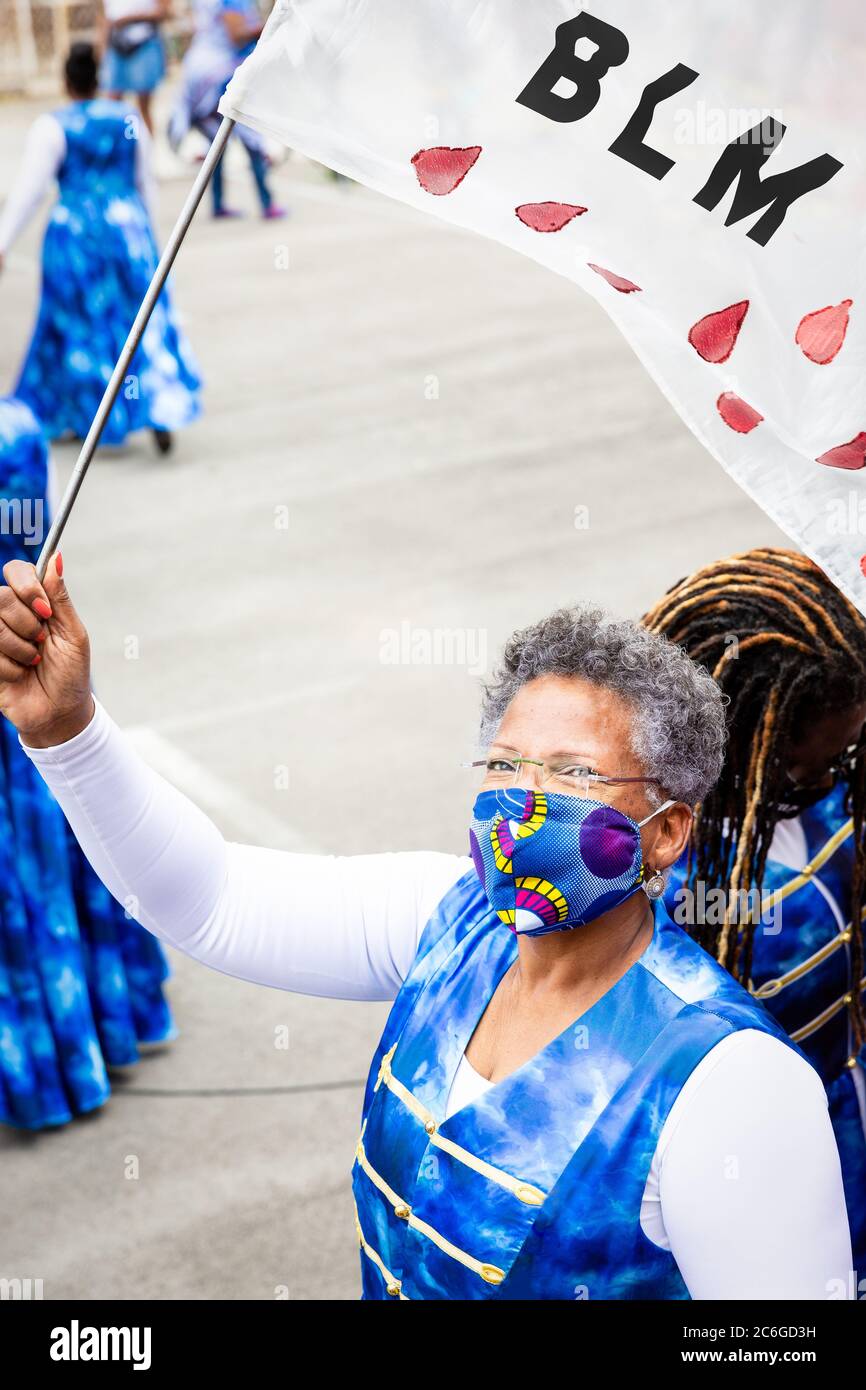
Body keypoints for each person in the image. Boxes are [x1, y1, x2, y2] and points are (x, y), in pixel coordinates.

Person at [0, 566, 853, 1298]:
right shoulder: (444, 924)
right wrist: (65, 730)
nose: (525, 800)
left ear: (668, 830)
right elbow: (210, 899)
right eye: (506, 764)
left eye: (574, 773)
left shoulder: (733, 1085)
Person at [644, 546, 866, 1281]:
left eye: (849, 756)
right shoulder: (650, 888)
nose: (835, 781)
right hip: (744, 1175)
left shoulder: (834, 775)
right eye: (806, 773)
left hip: (843, 1126)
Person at [0, 397, 176, 1129]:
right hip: (31, 686)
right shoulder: (15, 425)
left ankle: (49, 1057)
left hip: (21, 685)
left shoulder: (11, 435)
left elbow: (21, 574)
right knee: (59, 863)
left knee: (29, 882)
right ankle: (97, 1028)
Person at [0, 42, 201, 454]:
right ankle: (152, 404)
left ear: (65, 81)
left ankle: (86, 411)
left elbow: (30, 192)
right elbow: (146, 181)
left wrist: (3, 241)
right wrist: (150, 239)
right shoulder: (128, 119)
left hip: (75, 238)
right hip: (127, 232)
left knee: (77, 328)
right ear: (100, 76)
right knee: (137, 324)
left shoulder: (53, 126)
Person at [169, 0, 285, 219]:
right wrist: (271, 25)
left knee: (218, 140)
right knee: (250, 136)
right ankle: (267, 203)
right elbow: (236, 34)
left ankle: (218, 203)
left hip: (203, 72)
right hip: (220, 73)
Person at [100, 0, 170, 135]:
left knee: (143, 106)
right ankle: (114, 149)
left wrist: (128, 19)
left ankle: (145, 151)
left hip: (143, 41)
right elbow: (104, 17)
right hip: (116, 43)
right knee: (112, 106)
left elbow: (163, 11)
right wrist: (103, 50)